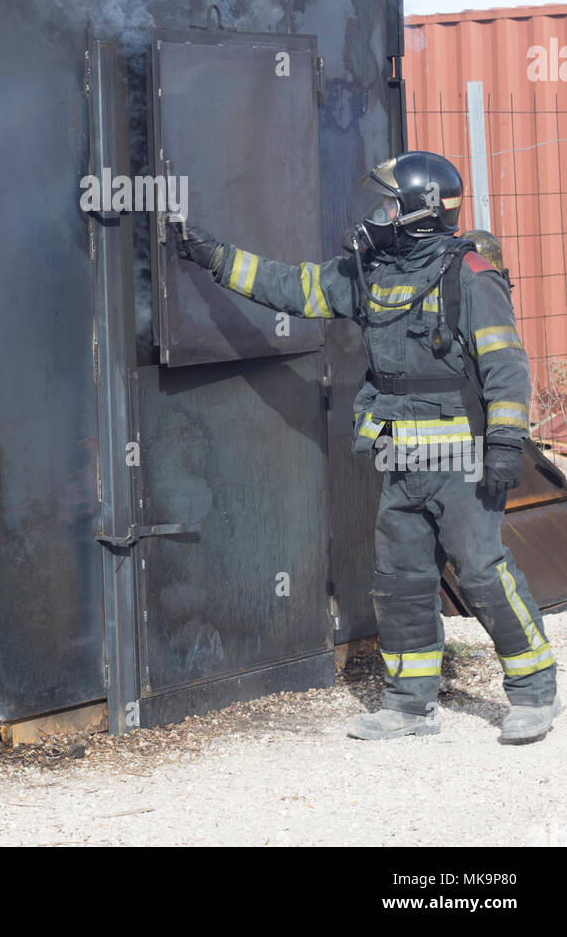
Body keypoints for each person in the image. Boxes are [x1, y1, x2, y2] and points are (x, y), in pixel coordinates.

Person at [172, 151, 560, 743]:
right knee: (400, 579)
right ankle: (410, 706)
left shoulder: (471, 276)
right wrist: (216, 258)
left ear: (419, 210)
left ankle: (534, 692)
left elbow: (506, 366)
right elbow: (296, 287)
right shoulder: (371, 272)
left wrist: (506, 441)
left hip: (464, 461)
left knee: (482, 572)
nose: (378, 213)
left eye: (388, 203)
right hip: (399, 457)